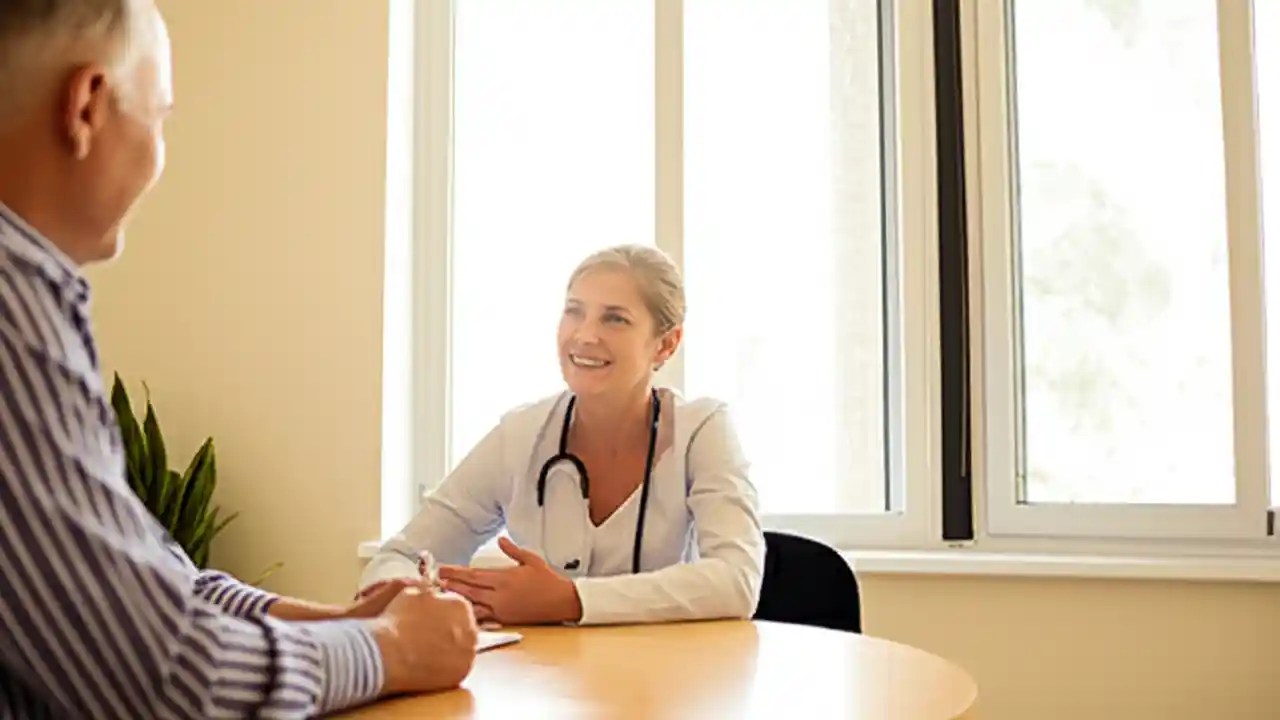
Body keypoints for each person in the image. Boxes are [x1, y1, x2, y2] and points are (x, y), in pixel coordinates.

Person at [0, 1, 477, 716]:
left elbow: (151, 581)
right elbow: (174, 682)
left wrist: (345, 622)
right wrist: (394, 650)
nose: (161, 155)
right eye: (159, 118)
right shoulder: (16, 308)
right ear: (88, 106)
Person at [360, 245, 766, 626]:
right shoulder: (521, 436)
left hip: (672, 686)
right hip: (550, 683)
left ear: (666, 344)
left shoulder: (703, 430)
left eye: (615, 318)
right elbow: (399, 557)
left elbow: (737, 582)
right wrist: (416, 598)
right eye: (574, 312)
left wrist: (571, 599)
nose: (585, 335)